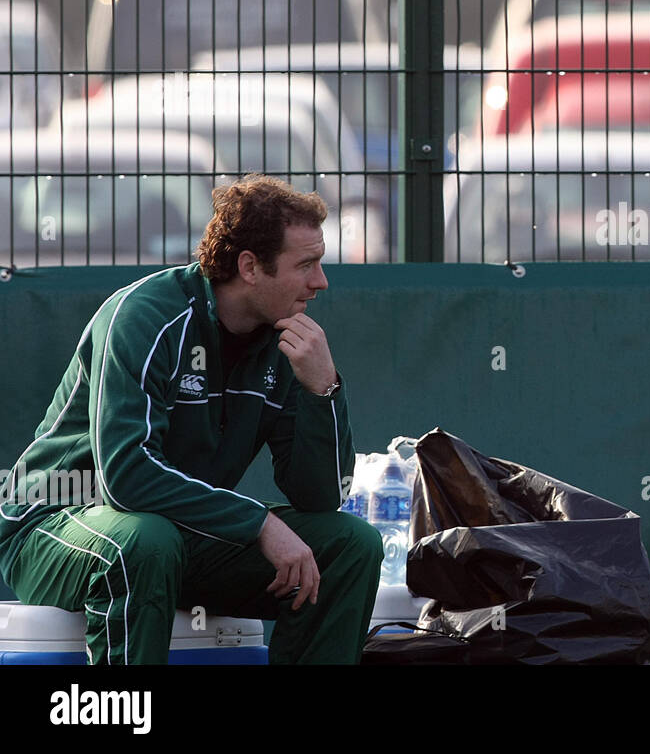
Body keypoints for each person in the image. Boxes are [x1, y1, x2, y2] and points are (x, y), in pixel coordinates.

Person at [0, 174, 382, 664]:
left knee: (349, 545)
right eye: (305, 264)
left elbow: (321, 496)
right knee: (143, 543)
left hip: (174, 535)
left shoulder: (286, 341)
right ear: (249, 266)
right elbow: (126, 477)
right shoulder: (144, 316)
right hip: (51, 523)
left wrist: (322, 390)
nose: (320, 282)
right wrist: (258, 523)